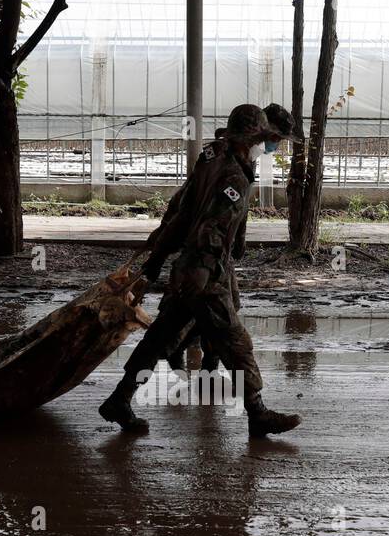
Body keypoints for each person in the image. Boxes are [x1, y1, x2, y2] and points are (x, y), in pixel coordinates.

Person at [99, 103, 301, 439]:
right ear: (254, 136)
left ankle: (120, 399)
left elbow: (183, 208)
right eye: (268, 137)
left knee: (160, 338)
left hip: (190, 270)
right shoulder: (233, 173)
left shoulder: (215, 158)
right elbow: (214, 227)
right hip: (205, 274)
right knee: (235, 342)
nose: (269, 143)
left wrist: (159, 255)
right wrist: (205, 274)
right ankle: (258, 413)